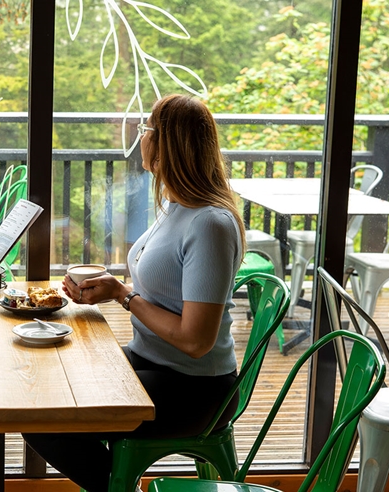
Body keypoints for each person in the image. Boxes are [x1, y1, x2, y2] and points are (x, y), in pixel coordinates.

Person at [22, 94, 247, 492]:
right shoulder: (176, 207)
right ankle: (120, 483)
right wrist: (110, 288)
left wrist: (123, 295)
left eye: (145, 129)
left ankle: (120, 487)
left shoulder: (210, 224)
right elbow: (160, 286)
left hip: (193, 388)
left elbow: (196, 341)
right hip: (149, 360)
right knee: (44, 389)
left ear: (164, 145)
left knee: (43, 417)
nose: (140, 137)